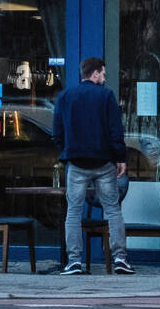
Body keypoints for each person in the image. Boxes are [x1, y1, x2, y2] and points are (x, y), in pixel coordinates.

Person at [52, 57, 132, 276]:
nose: (104, 78)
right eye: (103, 74)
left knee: (73, 212)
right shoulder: (106, 96)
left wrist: (67, 150)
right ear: (95, 73)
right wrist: (120, 157)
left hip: (76, 163)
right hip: (104, 162)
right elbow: (116, 130)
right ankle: (119, 259)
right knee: (113, 210)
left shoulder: (66, 96)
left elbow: (57, 132)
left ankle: (74, 261)